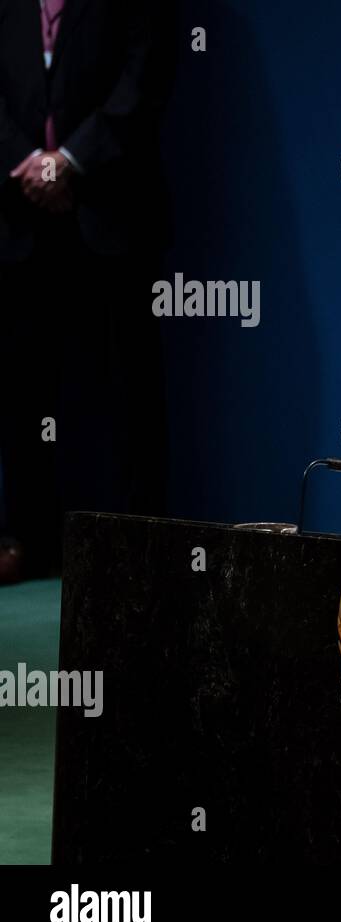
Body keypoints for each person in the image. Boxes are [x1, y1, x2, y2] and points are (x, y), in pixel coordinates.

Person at [0, 0, 176, 579]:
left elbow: (144, 75)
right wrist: (30, 164)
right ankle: (29, 540)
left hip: (112, 211)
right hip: (19, 216)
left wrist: (70, 161)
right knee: (25, 390)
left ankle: (137, 548)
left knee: (128, 391)